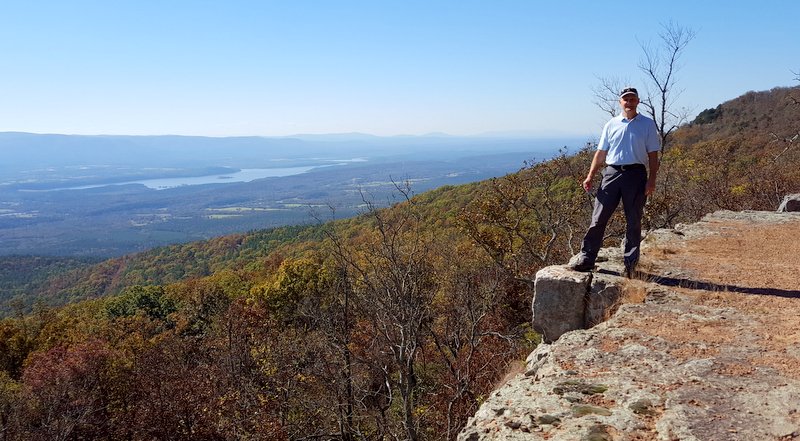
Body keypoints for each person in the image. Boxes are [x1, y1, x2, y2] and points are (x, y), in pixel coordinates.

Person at [569, 87, 660, 276]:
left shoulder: (647, 124)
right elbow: (601, 152)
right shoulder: (611, 124)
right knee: (598, 218)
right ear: (620, 102)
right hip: (611, 174)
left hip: (636, 174)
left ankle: (631, 265)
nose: (629, 102)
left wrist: (651, 180)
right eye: (626, 99)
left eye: (632, 99)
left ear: (638, 101)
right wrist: (590, 175)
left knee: (633, 220)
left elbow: (653, 155)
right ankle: (587, 258)